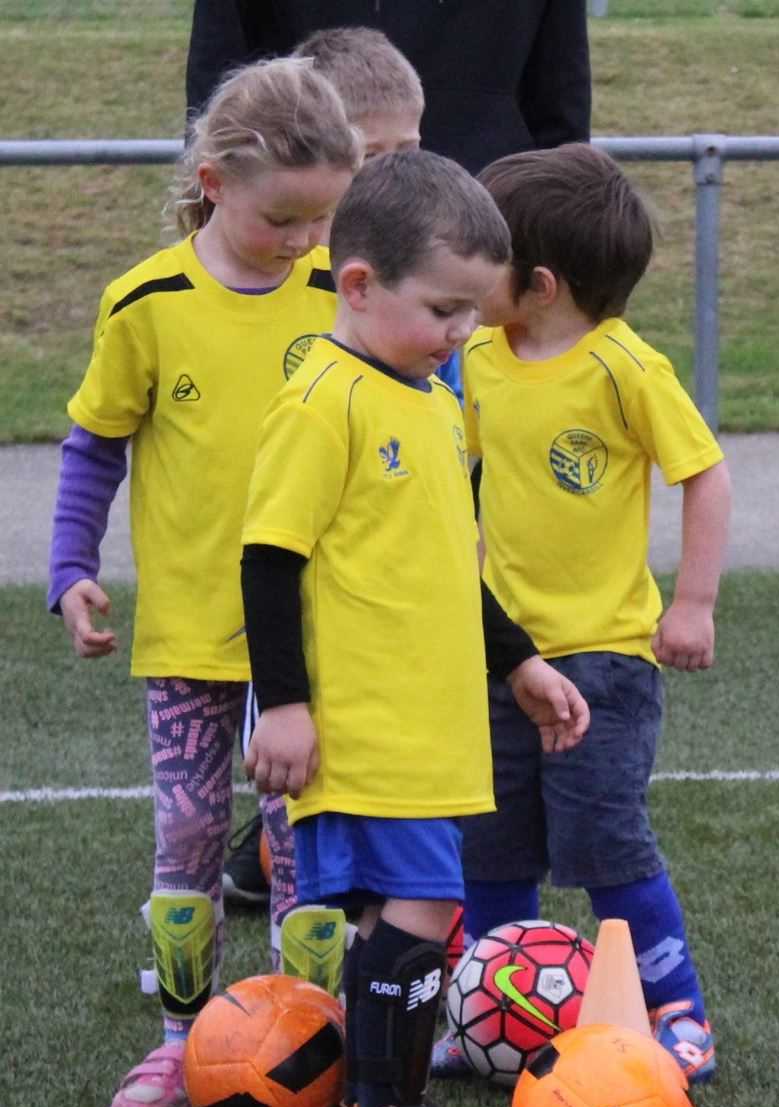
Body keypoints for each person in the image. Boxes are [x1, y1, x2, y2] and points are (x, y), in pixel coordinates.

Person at [240, 148, 590, 1107]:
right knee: (423, 908)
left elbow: (447, 566)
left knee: (421, 912)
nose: (462, 333)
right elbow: (266, 559)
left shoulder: (432, 402)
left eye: (473, 313)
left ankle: (385, 1102)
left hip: (438, 726)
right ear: (358, 284)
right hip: (368, 725)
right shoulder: (325, 402)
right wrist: (288, 704)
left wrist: (518, 659)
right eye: (443, 309)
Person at [47, 57, 361, 1107]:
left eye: (324, 218)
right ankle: (184, 1043)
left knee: (301, 842)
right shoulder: (145, 301)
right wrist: (72, 568)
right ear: (216, 180)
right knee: (187, 832)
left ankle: (309, 1038)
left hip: (313, 645)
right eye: (287, 218)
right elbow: (95, 445)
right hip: (186, 634)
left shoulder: (341, 298)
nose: (309, 242)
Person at [429, 142, 732, 1085]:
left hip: (604, 658)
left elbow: (706, 475)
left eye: (486, 259)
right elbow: (467, 475)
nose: (467, 277)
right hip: (501, 655)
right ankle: (495, 1009)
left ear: (543, 282)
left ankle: (676, 1010)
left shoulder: (623, 368)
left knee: (604, 840)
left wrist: (692, 602)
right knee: (491, 844)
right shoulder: (478, 355)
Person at [220, 25, 446, 913]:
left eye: (409, 150)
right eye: (373, 154)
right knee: (302, 793)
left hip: (405, 592)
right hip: (304, 591)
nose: (393, 173)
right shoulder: (313, 288)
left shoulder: (417, 286)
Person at [185, 0, 591, 178]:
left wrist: (557, 223)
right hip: (306, 219)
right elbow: (224, 79)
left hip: (485, 224)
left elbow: (559, 92)